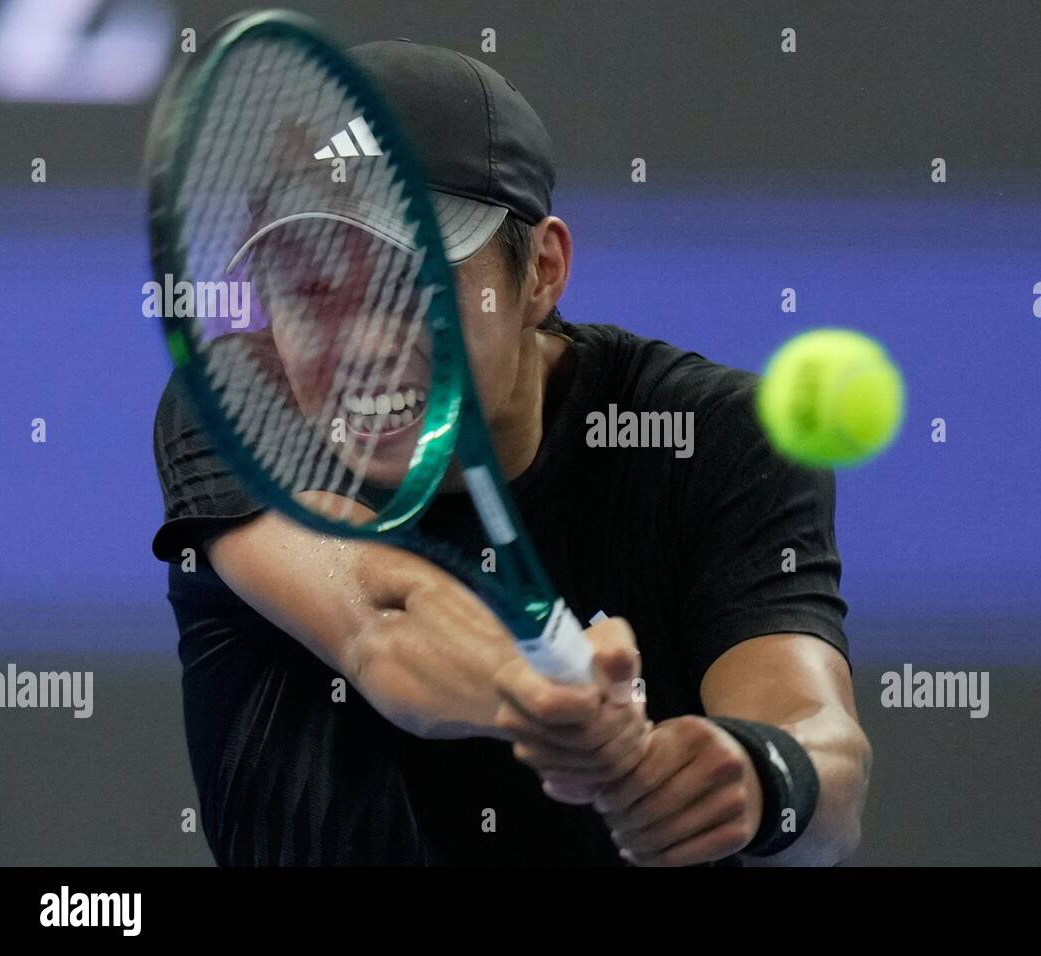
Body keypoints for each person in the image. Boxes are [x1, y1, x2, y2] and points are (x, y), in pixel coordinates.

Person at [151, 38, 871, 866]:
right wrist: (544, 698)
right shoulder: (238, 407)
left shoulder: (716, 438)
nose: (363, 348)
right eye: (312, 291)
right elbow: (381, 623)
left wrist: (756, 776)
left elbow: (827, 761)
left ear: (542, 272)